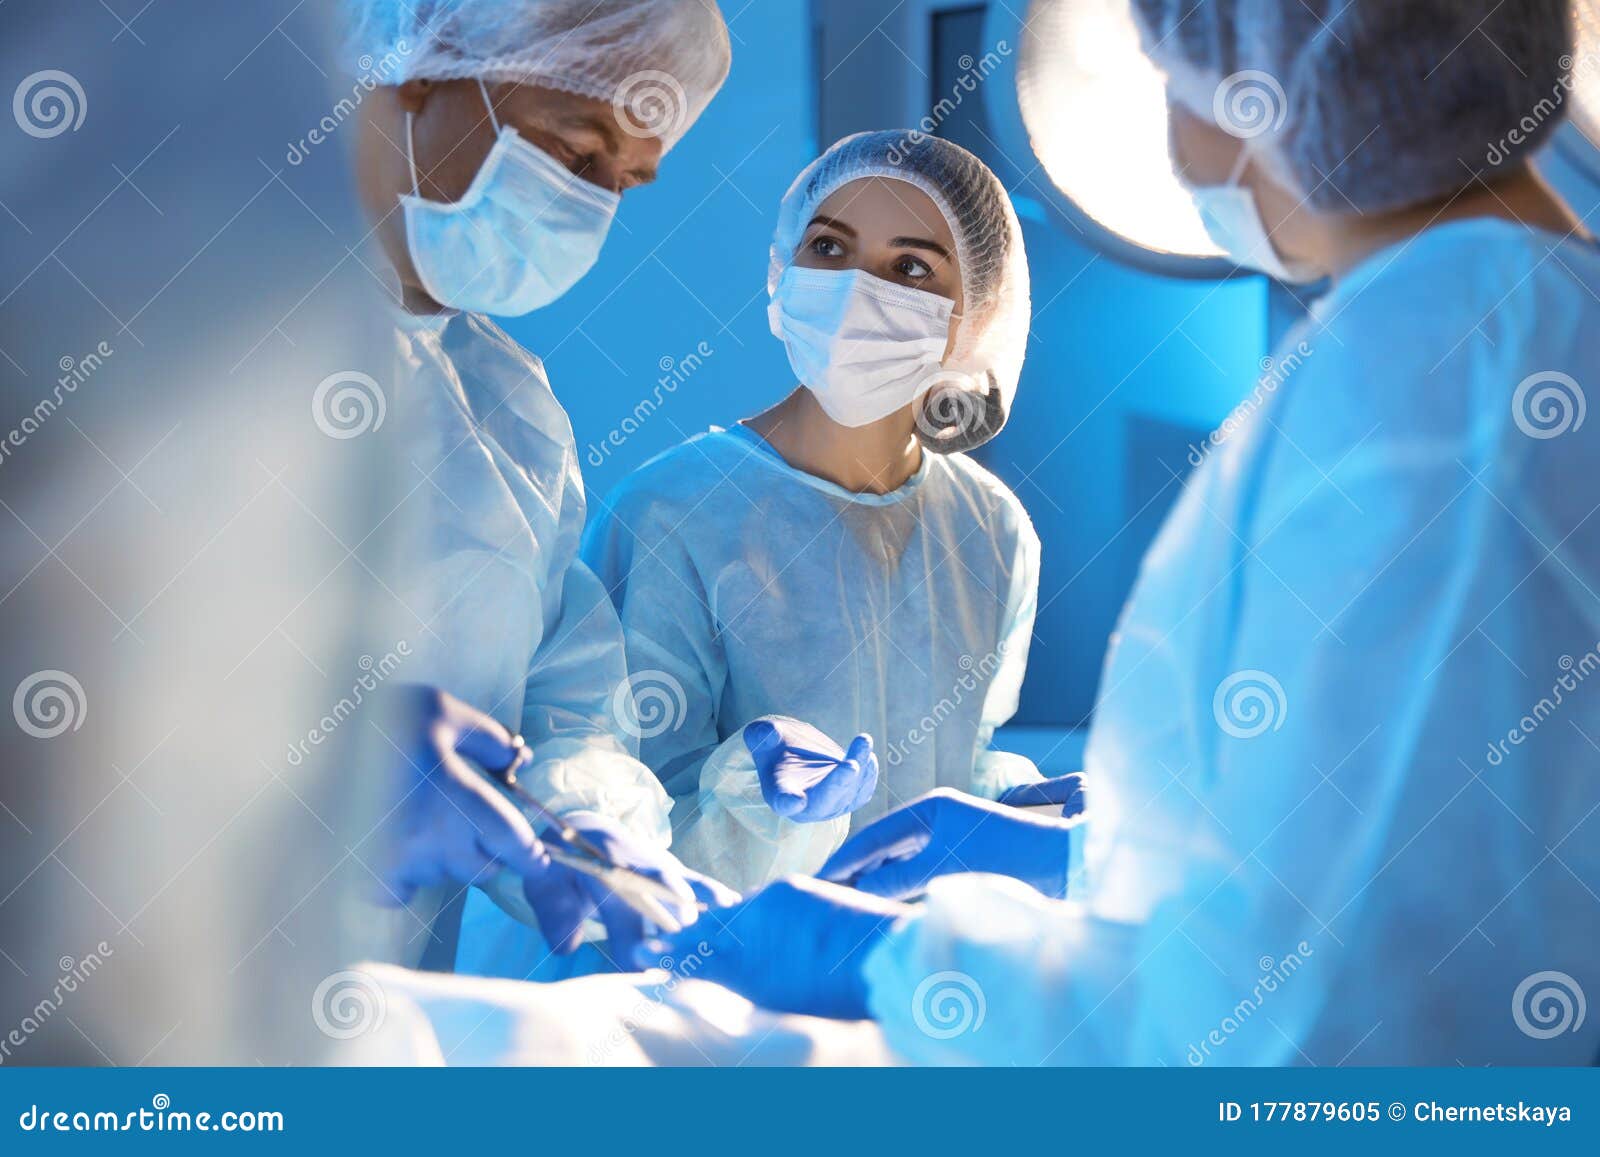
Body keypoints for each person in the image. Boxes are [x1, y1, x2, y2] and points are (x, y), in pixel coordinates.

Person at [648, 0, 1600, 1066]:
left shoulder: (1436, 362)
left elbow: (1325, 1009)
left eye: (1176, 85)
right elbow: (1415, 825)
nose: (1180, 144)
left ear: (1285, 85)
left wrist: (904, 966)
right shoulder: (1524, 319)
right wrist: (1089, 854)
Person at [582, 132, 1083, 894]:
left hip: (902, 970)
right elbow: (621, 829)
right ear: (784, 271)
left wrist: (1008, 810)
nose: (856, 289)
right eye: (828, 247)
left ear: (975, 312)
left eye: (910, 267)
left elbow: (960, 757)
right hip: (719, 979)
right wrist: (756, 803)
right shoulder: (670, 516)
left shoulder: (991, 529)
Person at [345, 0, 737, 972]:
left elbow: (569, 704)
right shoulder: (174, 328)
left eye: (625, 182)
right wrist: (313, 768)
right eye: (575, 148)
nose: (591, 204)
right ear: (423, 63)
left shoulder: (511, 410)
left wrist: (586, 825)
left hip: (378, 1012)